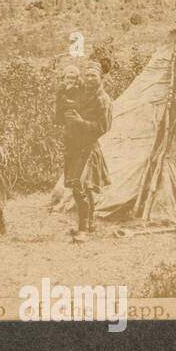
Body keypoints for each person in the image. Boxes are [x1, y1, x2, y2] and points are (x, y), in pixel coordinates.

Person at [60, 62, 112, 236]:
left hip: (88, 148)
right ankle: (90, 224)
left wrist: (81, 123)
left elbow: (103, 127)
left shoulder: (102, 99)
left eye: (93, 76)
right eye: (87, 75)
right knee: (84, 187)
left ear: (101, 78)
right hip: (74, 146)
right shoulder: (82, 93)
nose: (89, 79)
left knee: (80, 186)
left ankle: (82, 229)